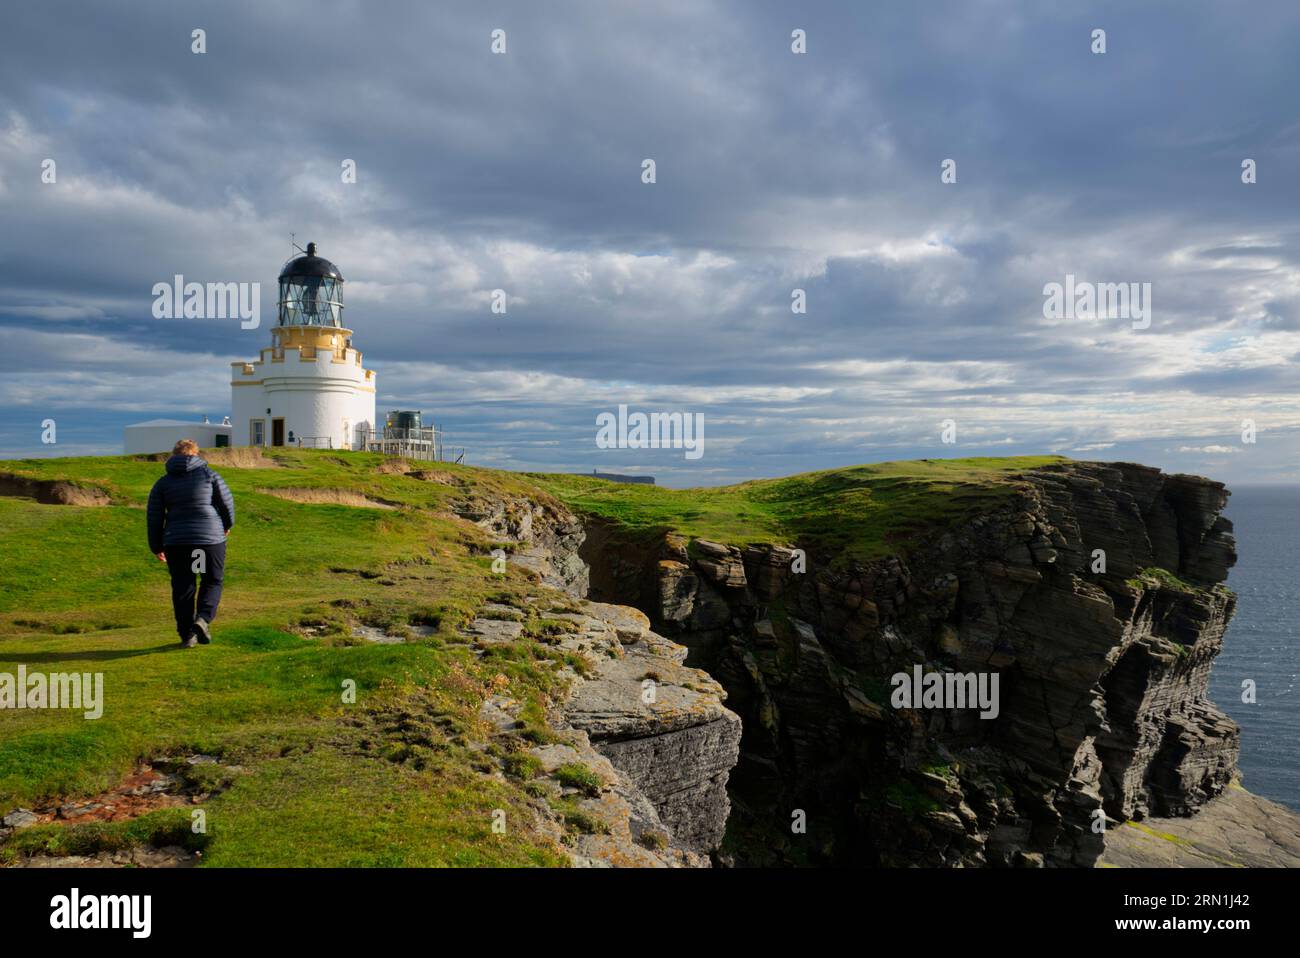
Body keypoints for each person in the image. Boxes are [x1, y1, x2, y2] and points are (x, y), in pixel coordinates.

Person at [146, 439, 234, 648]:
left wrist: (156, 546)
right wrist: (227, 524)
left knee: (184, 586)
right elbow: (226, 503)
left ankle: (187, 635)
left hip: (177, 543)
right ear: (196, 454)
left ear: (173, 456)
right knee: (211, 580)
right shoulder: (209, 475)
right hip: (207, 540)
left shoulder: (162, 483)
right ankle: (202, 619)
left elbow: (155, 517)